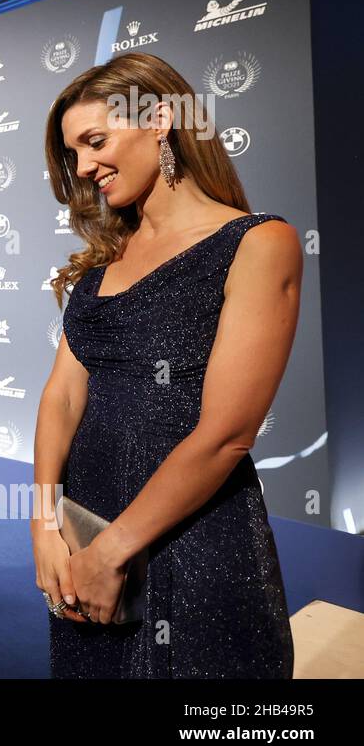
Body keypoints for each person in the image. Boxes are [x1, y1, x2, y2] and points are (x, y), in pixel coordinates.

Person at [33, 51, 299, 678]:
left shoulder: (258, 243)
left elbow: (226, 435)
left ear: (158, 120)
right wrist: (46, 523)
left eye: (95, 142)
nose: (85, 167)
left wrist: (114, 551)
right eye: (73, 154)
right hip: (85, 527)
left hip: (195, 540)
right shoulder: (100, 266)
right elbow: (62, 398)